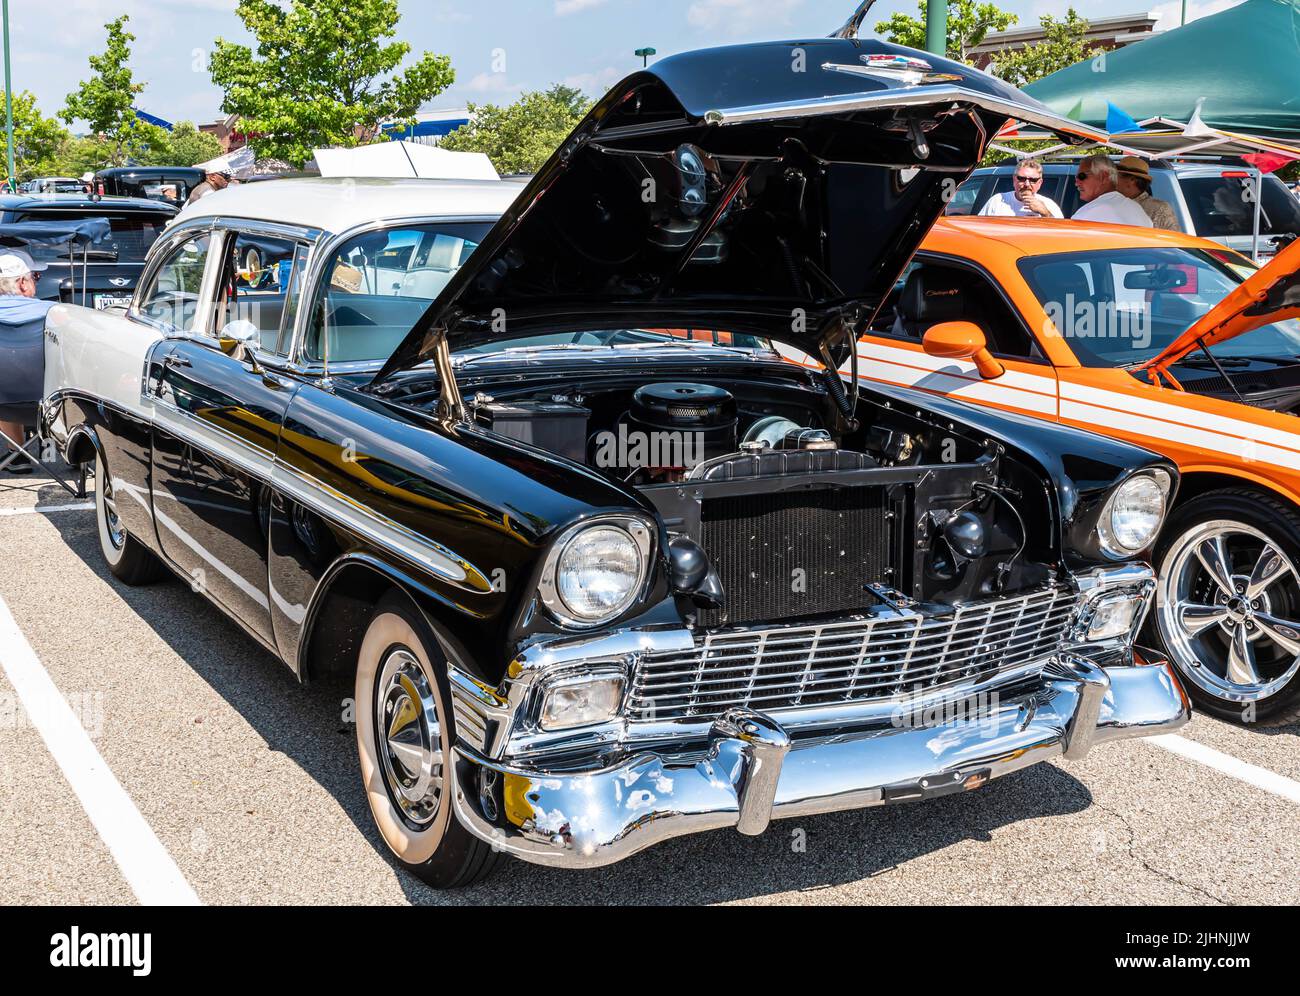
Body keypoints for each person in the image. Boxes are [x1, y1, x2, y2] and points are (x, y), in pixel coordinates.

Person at [0, 250, 57, 475]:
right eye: (35, 277)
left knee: (5, 376)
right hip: (50, 404)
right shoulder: (54, 313)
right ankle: (53, 450)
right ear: (23, 283)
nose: (35, 282)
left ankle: (16, 453)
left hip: (3, 404)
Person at [1071, 154, 1153, 227]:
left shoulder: (1091, 212)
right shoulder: (1138, 210)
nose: (1076, 183)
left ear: (1103, 177)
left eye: (1081, 176)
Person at [977, 158, 1063, 218]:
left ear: (1040, 183)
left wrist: (1045, 213)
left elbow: (1061, 234)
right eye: (1021, 179)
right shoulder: (997, 201)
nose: (1026, 184)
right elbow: (979, 228)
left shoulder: (1049, 205)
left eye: (1033, 180)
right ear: (1014, 179)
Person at [1115, 156, 1179, 230]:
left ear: (1132, 180)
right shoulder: (1113, 202)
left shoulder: (1160, 209)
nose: (1113, 180)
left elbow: (1172, 238)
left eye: (1117, 176)